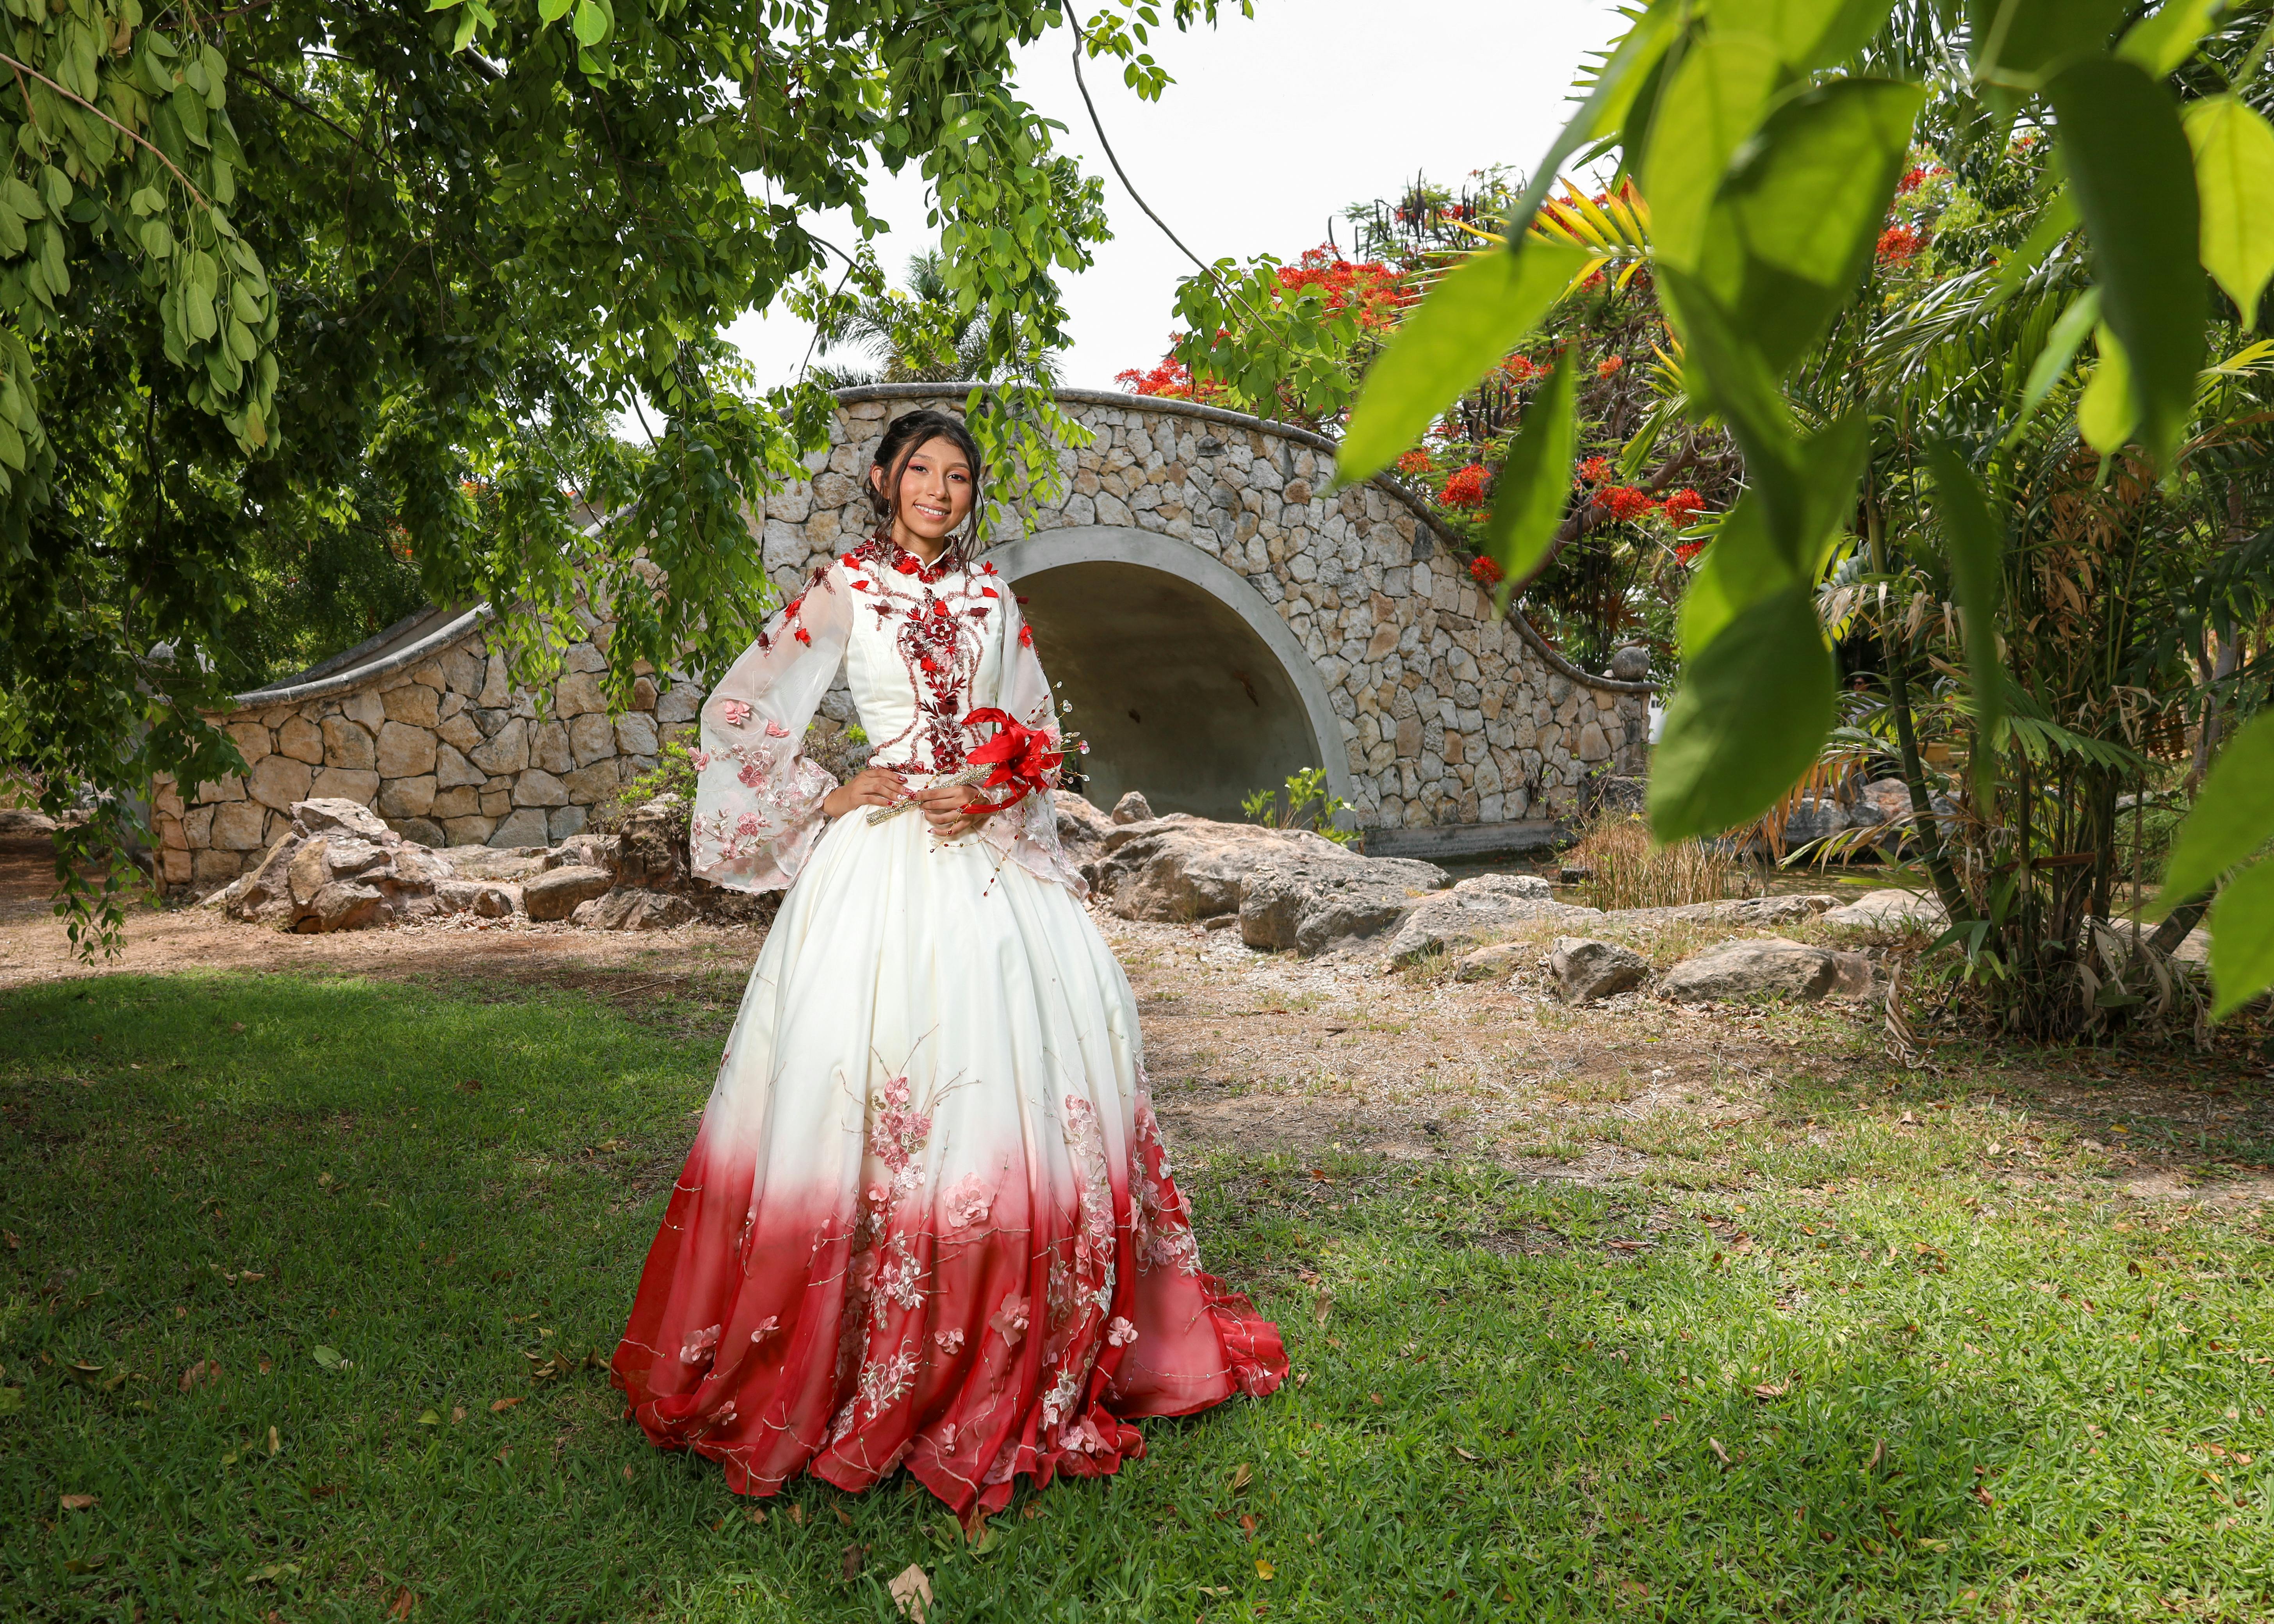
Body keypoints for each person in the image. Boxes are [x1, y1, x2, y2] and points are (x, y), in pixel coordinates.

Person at [611, 408, 1287, 1521]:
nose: (938, 488)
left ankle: (1008, 1332)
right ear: (884, 481)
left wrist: (992, 789)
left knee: (1012, 1082)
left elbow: (1039, 736)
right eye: (919, 470)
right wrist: (830, 793)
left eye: (957, 475)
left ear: (973, 493)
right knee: (856, 1090)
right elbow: (741, 711)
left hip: (983, 860)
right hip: (877, 868)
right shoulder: (843, 588)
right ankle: (848, 1353)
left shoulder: (992, 600)